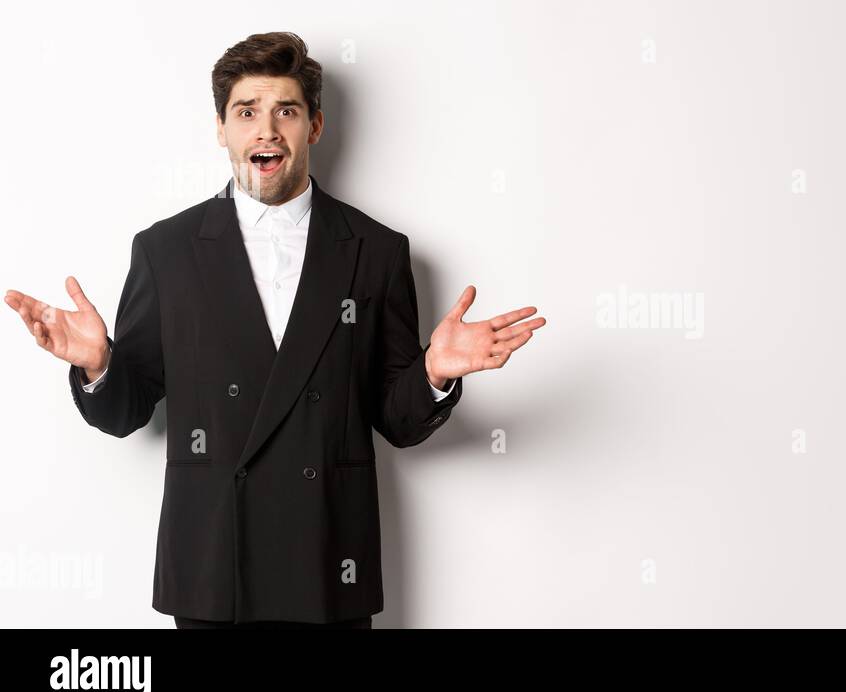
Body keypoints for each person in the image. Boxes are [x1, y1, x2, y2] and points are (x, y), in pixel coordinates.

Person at [4, 31, 545, 629]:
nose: (266, 129)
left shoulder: (377, 251)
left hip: (327, 564)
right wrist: (99, 366)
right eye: (246, 112)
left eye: (285, 111)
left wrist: (434, 373)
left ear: (313, 127)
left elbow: (396, 418)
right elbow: (127, 412)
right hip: (212, 572)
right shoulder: (167, 250)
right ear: (221, 128)